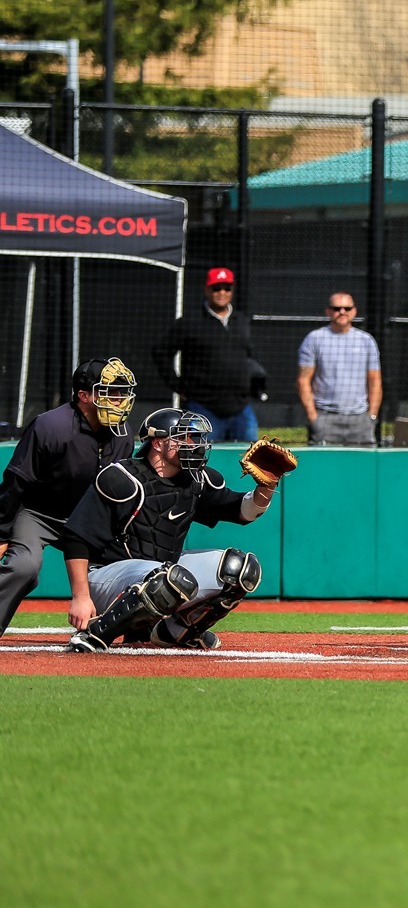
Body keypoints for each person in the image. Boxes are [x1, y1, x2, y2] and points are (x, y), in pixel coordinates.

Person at [58, 407, 281, 652]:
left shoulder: (196, 479)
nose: (193, 444)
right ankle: (94, 635)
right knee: (168, 577)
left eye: (194, 438)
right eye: (183, 438)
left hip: (163, 577)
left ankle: (177, 632)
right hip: (106, 579)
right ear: (157, 443)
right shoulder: (121, 478)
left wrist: (266, 487)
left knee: (240, 569)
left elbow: (243, 512)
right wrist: (80, 597)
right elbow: (76, 537)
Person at [0, 358, 138, 637]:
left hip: (89, 520)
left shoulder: (123, 434)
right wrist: (1, 536)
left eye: (122, 393)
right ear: (83, 396)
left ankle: (135, 632)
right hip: (39, 513)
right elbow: (16, 482)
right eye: (110, 392)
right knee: (23, 567)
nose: (119, 400)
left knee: (136, 565)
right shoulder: (50, 426)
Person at [152, 266, 261, 442]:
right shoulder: (190, 322)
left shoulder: (241, 321)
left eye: (227, 288)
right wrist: (178, 386)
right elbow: (160, 352)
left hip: (240, 408)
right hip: (202, 408)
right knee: (200, 458)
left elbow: (247, 356)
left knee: (251, 460)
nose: (222, 293)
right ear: (207, 289)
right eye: (216, 288)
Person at [297, 290, 382, 445]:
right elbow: (303, 380)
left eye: (347, 308)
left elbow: (375, 380)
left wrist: (372, 416)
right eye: (337, 308)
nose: (342, 312)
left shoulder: (366, 341)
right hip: (325, 417)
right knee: (324, 466)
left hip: (360, 419)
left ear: (354, 311)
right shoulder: (314, 339)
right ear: (328, 311)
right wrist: (313, 416)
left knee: (363, 466)